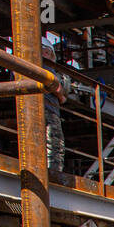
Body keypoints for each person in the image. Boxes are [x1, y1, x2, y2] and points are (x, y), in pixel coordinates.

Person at [42, 41, 70, 173]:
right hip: (49, 109)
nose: (47, 55)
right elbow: (56, 85)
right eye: (47, 52)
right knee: (54, 143)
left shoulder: (22, 64)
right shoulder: (44, 66)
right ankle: (54, 173)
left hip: (33, 109)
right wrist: (61, 97)